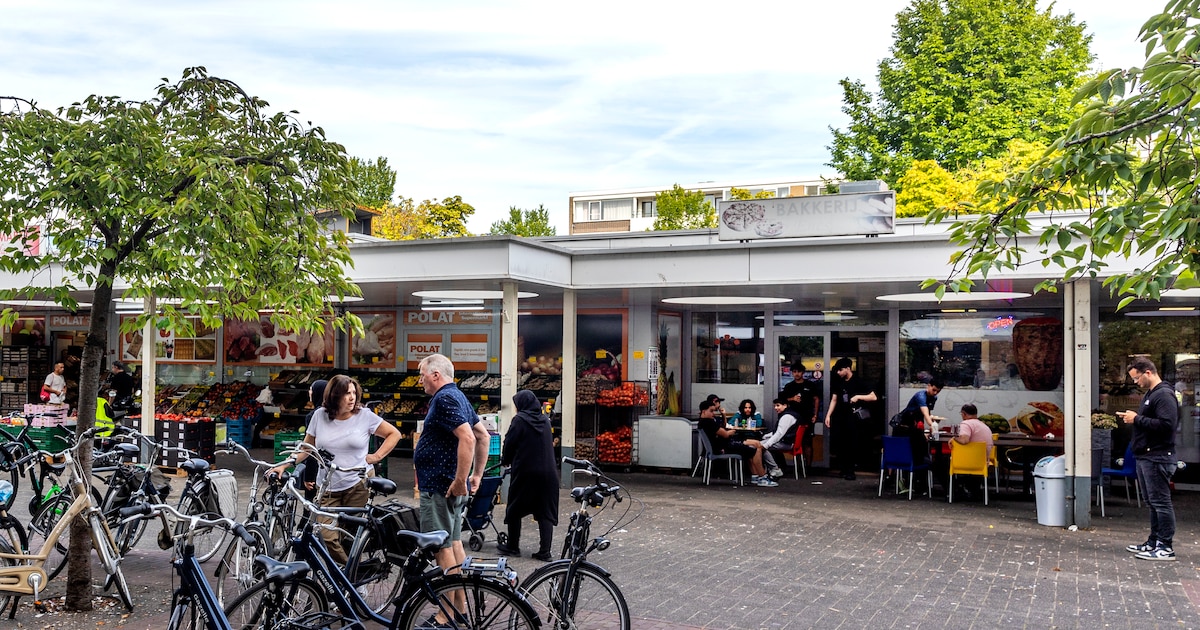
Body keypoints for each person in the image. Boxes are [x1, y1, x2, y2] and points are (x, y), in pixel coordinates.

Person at [268, 374, 400, 564]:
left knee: (349, 536)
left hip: (357, 484)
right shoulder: (319, 416)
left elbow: (393, 434)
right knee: (327, 536)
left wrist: (376, 457)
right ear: (334, 395)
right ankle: (350, 575)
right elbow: (307, 448)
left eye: (354, 393)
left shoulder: (365, 416)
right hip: (328, 487)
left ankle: (347, 582)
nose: (352, 397)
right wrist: (285, 464)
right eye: (347, 393)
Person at [412, 352, 491, 610]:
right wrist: (476, 474)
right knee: (455, 544)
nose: (421, 380)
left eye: (423, 375)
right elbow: (483, 436)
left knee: (441, 548)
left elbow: (469, 438)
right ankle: (461, 608)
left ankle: (446, 615)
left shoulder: (445, 398)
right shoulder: (458, 396)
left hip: (440, 487)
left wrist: (461, 480)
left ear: (436, 375)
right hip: (449, 486)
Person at [1119, 358, 1179, 561]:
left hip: (1157, 456)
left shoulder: (1163, 395)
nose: (1136, 382)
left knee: (1161, 502)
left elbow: (1167, 424)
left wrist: (1136, 419)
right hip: (1147, 455)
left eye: (1137, 378)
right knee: (1152, 502)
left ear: (1148, 373)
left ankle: (1165, 546)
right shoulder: (1152, 394)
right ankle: (1154, 541)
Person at [497, 389, 559, 561]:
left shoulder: (519, 420)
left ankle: (512, 546)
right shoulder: (545, 421)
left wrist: (505, 459)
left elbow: (510, 442)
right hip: (549, 474)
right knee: (545, 511)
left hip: (526, 472)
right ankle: (545, 551)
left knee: (515, 508)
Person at [697, 400, 775, 487]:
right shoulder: (709, 422)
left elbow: (723, 428)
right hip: (725, 447)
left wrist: (724, 418)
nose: (713, 414)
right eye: (711, 411)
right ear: (704, 411)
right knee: (756, 448)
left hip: (726, 445)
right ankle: (762, 477)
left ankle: (755, 476)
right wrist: (731, 432)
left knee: (755, 444)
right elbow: (725, 434)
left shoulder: (702, 422)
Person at [824, 358, 877, 480]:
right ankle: (843, 468)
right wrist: (828, 415)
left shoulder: (859, 381)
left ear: (848, 368)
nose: (838, 373)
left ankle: (850, 470)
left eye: (840, 370)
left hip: (854, 418)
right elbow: (834, 399)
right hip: (841, 416)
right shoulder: (839, 382)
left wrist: (858, 397)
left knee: (852, 443)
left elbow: (873, 397)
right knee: (841, 443)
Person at [894, 378, 944, 466]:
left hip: (916, 426)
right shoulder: (920, 396)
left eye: (938, 391)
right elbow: (925, 411)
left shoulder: (934, 398)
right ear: (929, 386)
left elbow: (928, 413)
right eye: (934, 390)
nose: (935, 393)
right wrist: (932, 424)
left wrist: (931, 421)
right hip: (904, 425)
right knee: (917, 446)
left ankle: (920, 470)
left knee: (922, 443)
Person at [760, 393, 801, 479]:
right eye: (775, 406)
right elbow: (780, 432)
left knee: (759, 447)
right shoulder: (790, 414)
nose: (775, 408)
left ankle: (775, 469)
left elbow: (779, 434)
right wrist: (766, 436)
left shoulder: (786, 417)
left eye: (778, 405)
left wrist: (766, 444)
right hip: (788, 441)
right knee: (760, 445)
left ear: (785, 405)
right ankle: (777, 467)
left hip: (786, 443)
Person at [299, 379, 328, 501]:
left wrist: (309, 476)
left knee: (311, 507)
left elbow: (311, 449)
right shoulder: (332, 413)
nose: (309, 392)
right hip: (329, 468)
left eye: (311, 389)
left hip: (317, 469)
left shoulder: (315, 415)